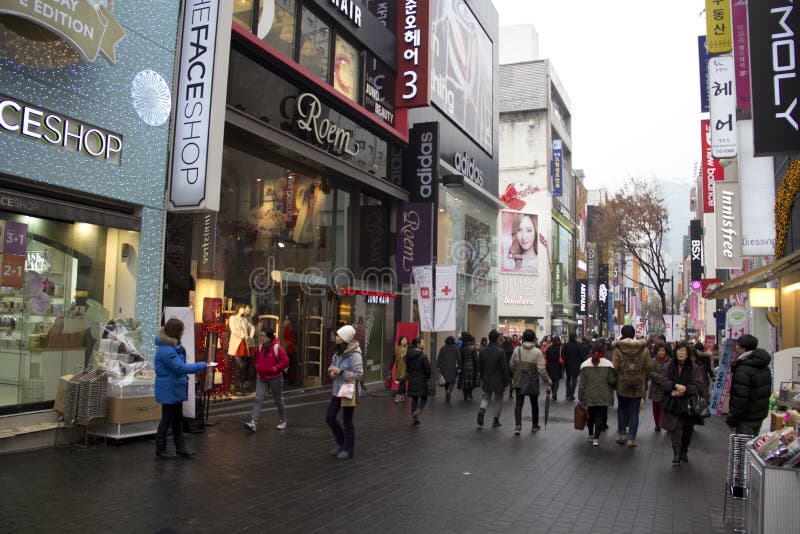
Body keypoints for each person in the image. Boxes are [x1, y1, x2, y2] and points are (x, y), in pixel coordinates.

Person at [154, 318, 215, 459]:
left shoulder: (171, 348)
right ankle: (161, 449)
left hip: (174, 388)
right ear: (176, 332)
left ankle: (180, 448)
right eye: (181, 331)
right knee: (167, 420)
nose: (182, 334)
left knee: (176, 420)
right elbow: (180, 368)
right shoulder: (167, 351)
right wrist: (203, 365)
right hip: (170, 389)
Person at [660, 341, 705, 465]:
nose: (680, 352)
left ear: (688, 353)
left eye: (683, 350)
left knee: (687, 428)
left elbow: (699, 385)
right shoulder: (669, 365)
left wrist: (685, 389)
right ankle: (677, 453)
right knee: (675, 427)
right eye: (678, 350)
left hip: (688, 403)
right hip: (672, 402)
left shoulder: (695, 367)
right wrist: (674, 386)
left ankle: (684, 450)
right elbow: (663, 380)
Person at [610, 325, 653, 448]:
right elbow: (649, 366)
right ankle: (632, 439)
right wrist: (643, 376)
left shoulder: (618, 349)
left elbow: (614, 367)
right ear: (634, 334)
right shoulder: (643, 349)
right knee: (634, 411)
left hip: (622, 384)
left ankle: (622, 434)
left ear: (622, 334)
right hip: (638, 385)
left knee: (622, 409)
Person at [326, 325, 363, 460]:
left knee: (347, 421)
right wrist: (331, 371)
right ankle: (341, 442)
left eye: (338, 336)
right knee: (330, 417)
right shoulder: (337, 351)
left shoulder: (355, 354)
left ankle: (348, 449)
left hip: (348, 390)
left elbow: (359, 375)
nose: (335, 337)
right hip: (337, 389)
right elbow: (332, 365)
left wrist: (340, 372)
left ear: (345, 339)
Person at [726, 334, 772, 437]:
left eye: (737, 344)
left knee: (743, 449)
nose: (735, 347)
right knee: (753, 447)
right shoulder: (764, 365)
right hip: (759, 415)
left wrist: (732, 420)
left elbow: (740, 399)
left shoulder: (743, 369)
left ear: (743, 348)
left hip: (745, 418)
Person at [244, 327, 289, 433]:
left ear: (269, 337)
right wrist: (257, 366)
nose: (262, 338)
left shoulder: (276, 347)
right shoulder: (260, 347)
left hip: (275, 378)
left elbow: (286, 361)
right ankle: (253, 423)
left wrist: (275, 368)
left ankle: (283, 421)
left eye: (264, 336)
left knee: (278, 400)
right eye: (261, 336)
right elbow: (257, 360)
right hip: (262, 378)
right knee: (257, 399)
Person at [509, 329, 551, 434]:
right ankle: (534, 425)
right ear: (533, 339)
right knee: (534, 403)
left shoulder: (517, 350)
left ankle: (518, 426)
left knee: (519, 404)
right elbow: (541, 369)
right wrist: (547, 380)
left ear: (523, 338)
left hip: (519, 379)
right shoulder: (537, 352)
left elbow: (511, 365)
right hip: (532, 380)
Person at [578, 341, 617, 446]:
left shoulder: (585, 365)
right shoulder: (609, 364)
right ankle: (596, 438)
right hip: (604, 395)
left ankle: (590, 435)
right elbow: (612, 381)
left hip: (589, 395)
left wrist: (580, 396)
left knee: (591, 415)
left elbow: (582, 384)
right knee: (600, 416)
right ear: (604, 350)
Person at [476, 330, 509, 428]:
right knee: (498, 399)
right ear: (498, 338)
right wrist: (506, 380)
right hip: (498, 379)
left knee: (486, 397)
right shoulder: (500, 351)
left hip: (486, 377)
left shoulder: (482, 351)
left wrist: (482, 376)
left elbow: (480, 366)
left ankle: (482, 410)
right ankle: (495, 420)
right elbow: (504, 367)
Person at [227, 304, 255, 395]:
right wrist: (243, 336)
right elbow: (233, 330)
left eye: (244, 308)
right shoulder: (232, 318)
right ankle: (236, 386)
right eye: (242, 308)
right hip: (237, 344)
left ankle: (240, 386)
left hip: (244, 344)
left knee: (243, 366)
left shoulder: (244, 319)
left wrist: (250, 337)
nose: (243, 310)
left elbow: (252, 327)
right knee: (240, 367)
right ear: (238, 309)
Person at [406, 337, 431, 425]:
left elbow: (407, 368)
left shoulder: (409, 355)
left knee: (415, 398)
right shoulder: (423, 356)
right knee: (424, 398)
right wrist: (427, 377)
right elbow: (427, 370)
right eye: (423, 342)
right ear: (418, 344)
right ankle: (418, 412)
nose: (424, 344)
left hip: (412, 379)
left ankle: (414, 418)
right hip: (422, 379)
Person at [648, 343, 670, 431]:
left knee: (667, 408)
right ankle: (657, 424)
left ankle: (668, 424)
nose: (661, 352)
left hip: (666, 389)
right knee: (656, 408)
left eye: (663, 350)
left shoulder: (670, 361)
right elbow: (650, 373)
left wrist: (665, 380)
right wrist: (660, 378)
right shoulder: (653, 361)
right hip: (655, 389)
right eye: (659, 350)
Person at [437, 336, 460, 402]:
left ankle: (447, 391)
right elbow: (458, 358)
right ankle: (449, 391)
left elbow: (439, 358)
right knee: (452, 382)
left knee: (445, 381)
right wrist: (460, 366)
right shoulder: (456, 349)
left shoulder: (443, 348)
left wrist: (438, 366)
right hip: (452, 367)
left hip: (443, 367)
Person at [457, 332, 480, 401]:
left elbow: (460, 358)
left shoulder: (461, 348)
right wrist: (477, 366)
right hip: (472, 366)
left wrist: (460, 366)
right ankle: (470, 393)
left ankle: (465, 396)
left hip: (464, 366)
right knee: (472, 381)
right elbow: (475, 358)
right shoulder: (473, 347)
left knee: (464, 382)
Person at [562, 333, 584, 401]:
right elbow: (581, 355)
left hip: (568, 364)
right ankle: (572, 394)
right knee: (574, 379)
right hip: (576, 364)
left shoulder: (566, 345)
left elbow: (563, 354)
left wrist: (566, 360)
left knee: (568, 379)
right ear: (575, 337)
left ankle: (568, 393)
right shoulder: (578, 345)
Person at [545, 336, 564, 401]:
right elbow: (563, 357)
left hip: (550, 366)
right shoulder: (561, 348)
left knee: (551, 379)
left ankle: (553, 391)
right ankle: (555, 392)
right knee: (557, 380)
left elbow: (547, 357)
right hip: (558, 366)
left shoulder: (549, 348)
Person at [393, 336, 409, 404]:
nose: (404, 341)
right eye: (403, 340)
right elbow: (395, 357)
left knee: (402, 381)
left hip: (407, 368)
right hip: (399, 367)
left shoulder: (409, 348)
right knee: (402, 382)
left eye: (405, 340)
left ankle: (398, 396)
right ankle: (404, 396)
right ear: (400, 341)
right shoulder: (397, 348)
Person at [501, 334, 515, 399]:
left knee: (503, 380)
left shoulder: (501, 349)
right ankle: (511, 393)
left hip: (504, 367)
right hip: (511, 367)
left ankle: (502, 390)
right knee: (511, 380)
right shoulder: (513, 349)